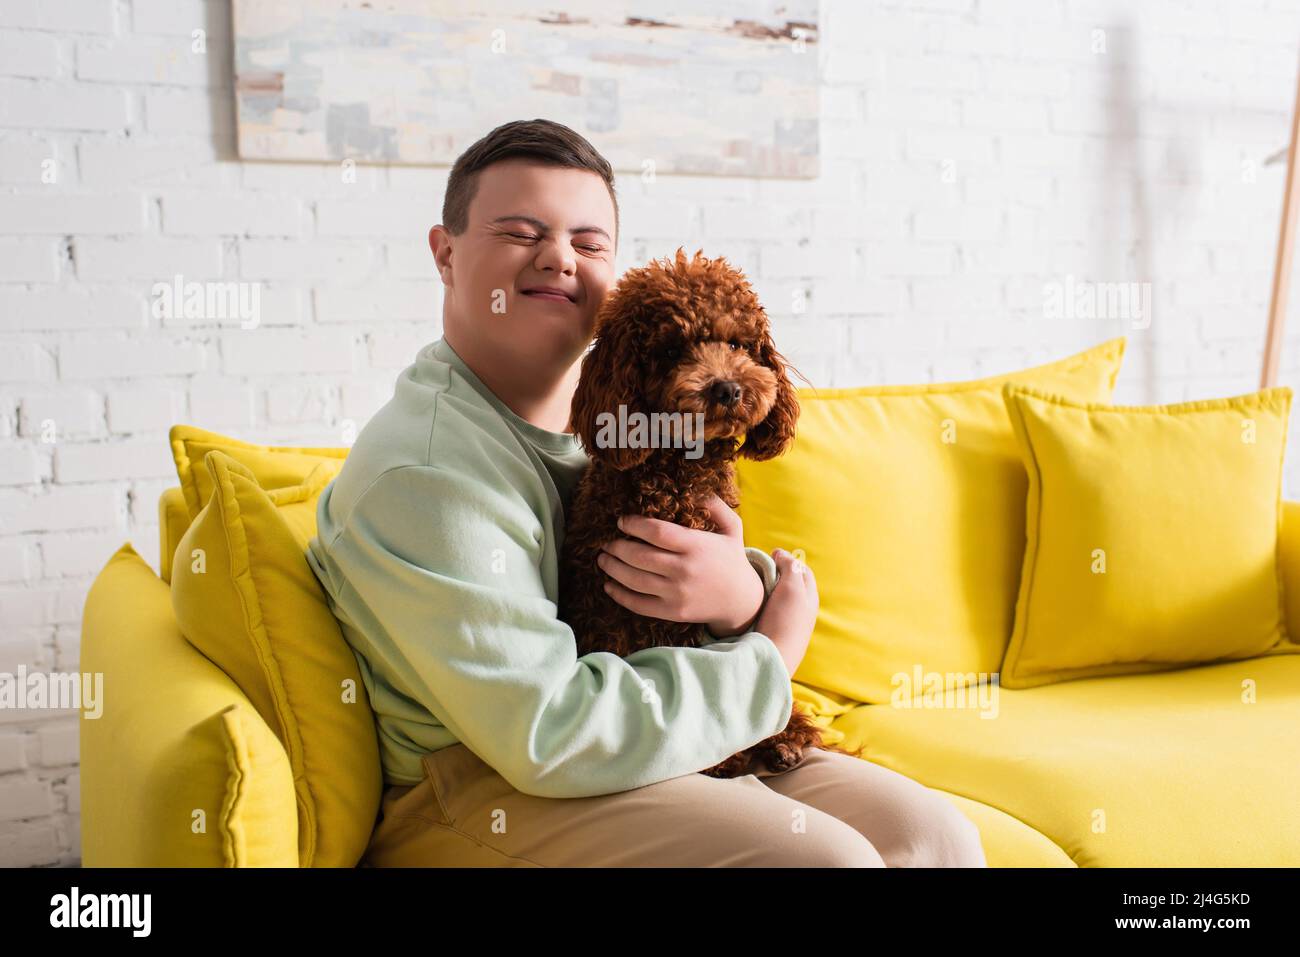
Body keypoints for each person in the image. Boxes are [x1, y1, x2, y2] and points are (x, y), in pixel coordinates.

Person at [305, 118, 987, 868]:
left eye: (589, 243)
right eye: (521, 230)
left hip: (639, 727)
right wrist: (768, 650)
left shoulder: (619, 425)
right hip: (486, 782)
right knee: (824, 862)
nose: (560, 258)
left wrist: (739, 596)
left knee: (934, 838)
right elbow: (551, 730)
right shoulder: (427, 471)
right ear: (445, 253)